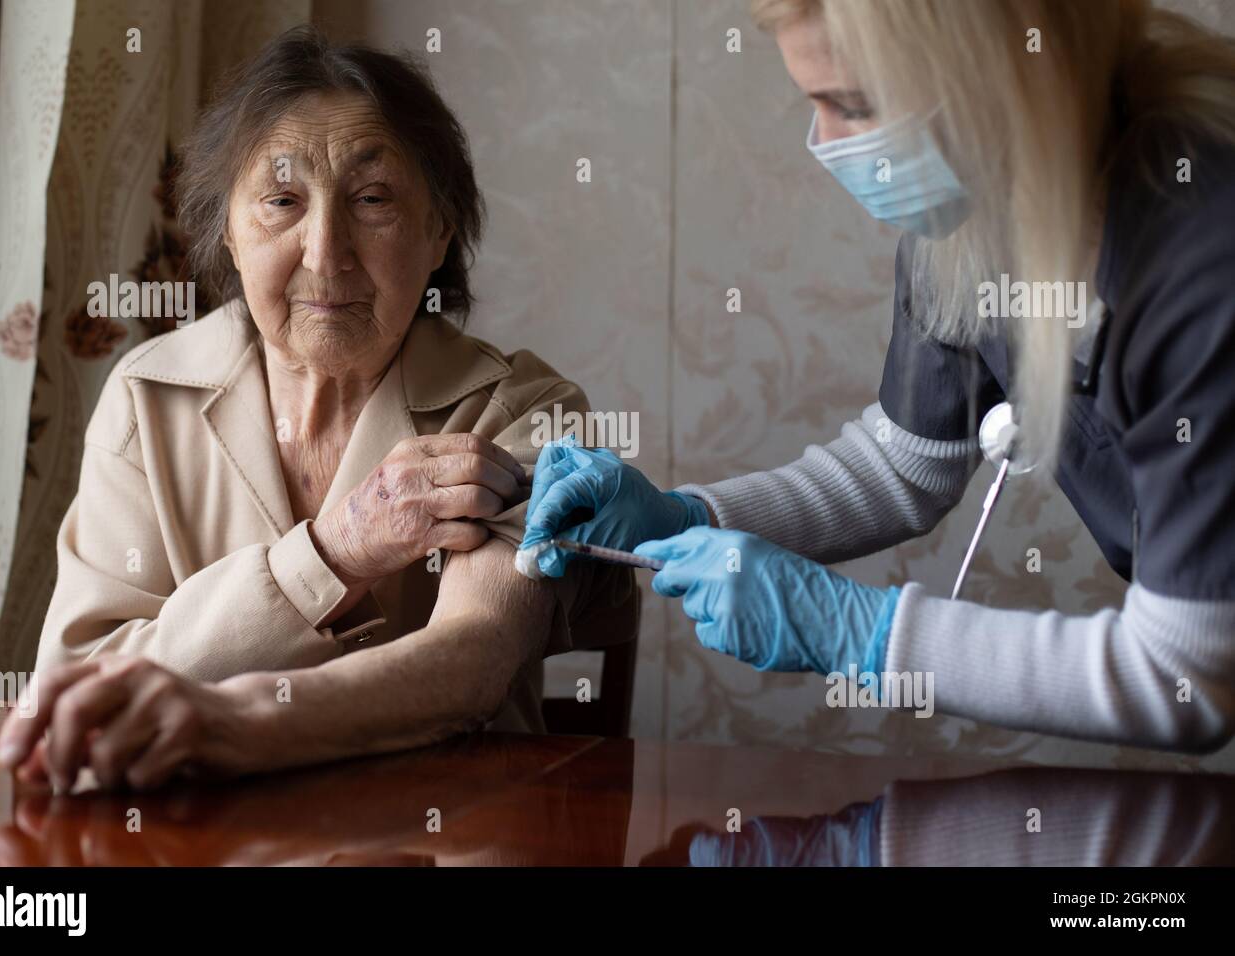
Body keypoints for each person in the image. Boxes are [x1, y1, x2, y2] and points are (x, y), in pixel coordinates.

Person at [521, 0, 1235, 753]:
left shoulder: (1201, 246)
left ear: (1005, 73)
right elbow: (904, 467)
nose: (825, 144)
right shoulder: (973, 224)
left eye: (855, 105)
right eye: (814, 102)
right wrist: (689, 517)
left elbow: (1186, 675)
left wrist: (863, 634)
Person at [0, 27, 634, 792]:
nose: (325, 252)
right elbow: (79, 690)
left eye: (372, 200)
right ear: (227, 232)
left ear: (440, 230)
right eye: (282, 200)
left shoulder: (525, 413)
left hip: (450, 829)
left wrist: (225, 720)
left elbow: (473, 660)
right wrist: (334, 551)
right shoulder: (147, 396)